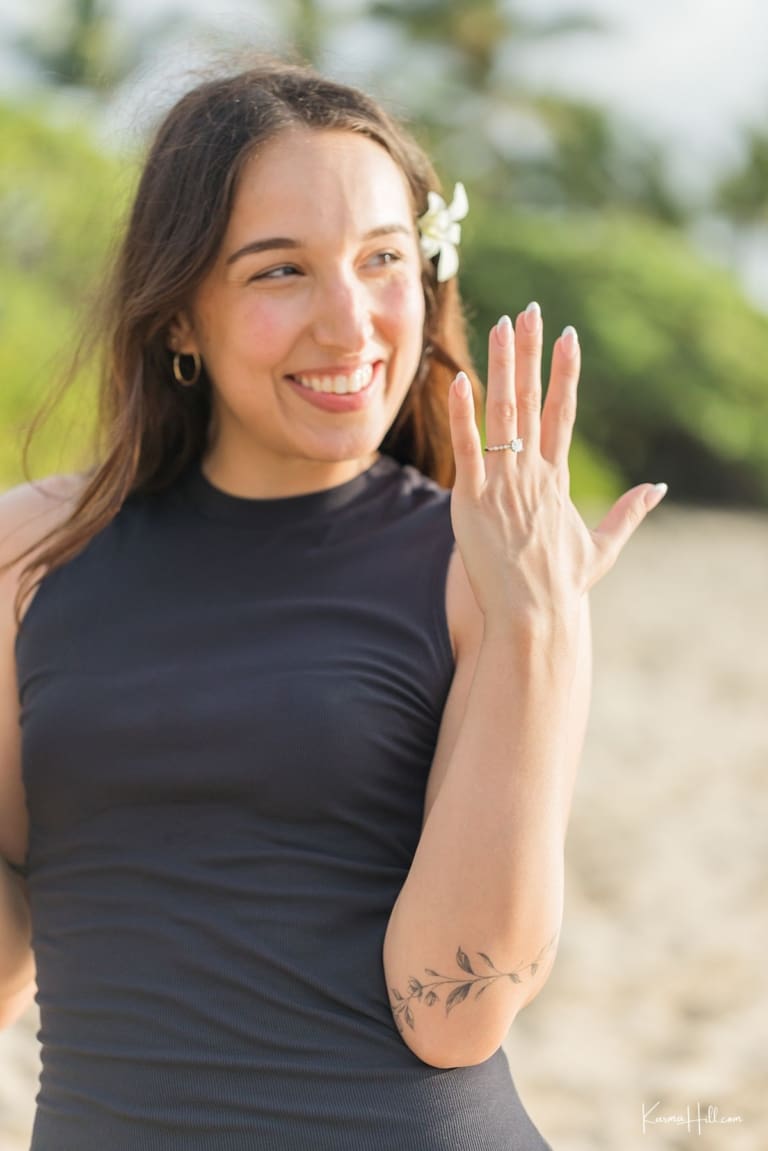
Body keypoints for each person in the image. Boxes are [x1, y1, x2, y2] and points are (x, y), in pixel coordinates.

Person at [0, 58, 667, 1150]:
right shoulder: (31, 554)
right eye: (280, 271)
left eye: (383, 259)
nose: (350, 324)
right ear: (178, 316)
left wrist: (539, 627)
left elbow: (454, 1011)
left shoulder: (487, 570)